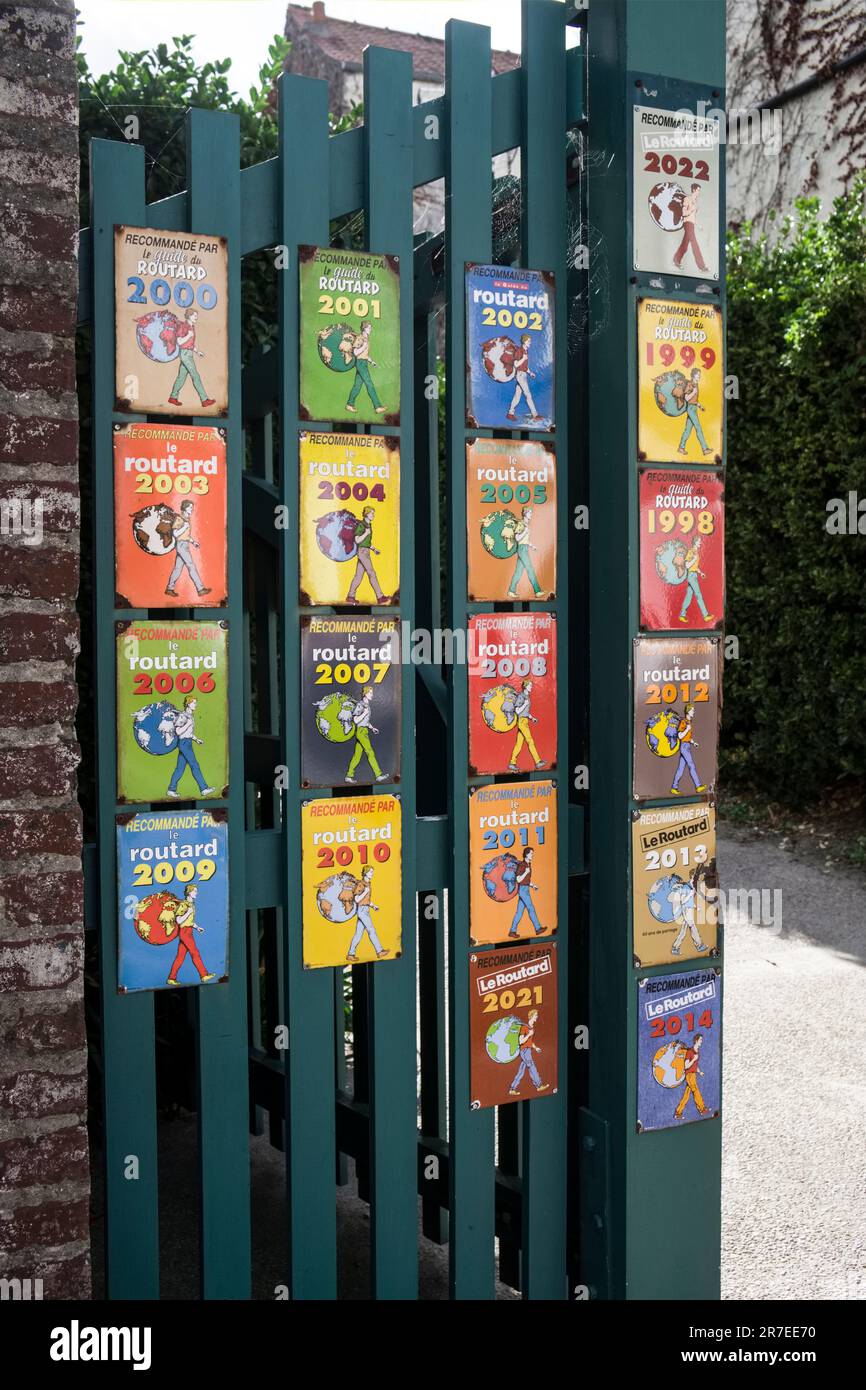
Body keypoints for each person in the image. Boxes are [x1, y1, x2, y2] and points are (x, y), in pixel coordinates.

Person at [165, 884, 216, 985]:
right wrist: (188, 913)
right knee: (195, 952)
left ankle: (171, 978)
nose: (197, 893)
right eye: (195, 891)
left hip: (188, 930)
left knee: (180, 957)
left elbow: (189, 921)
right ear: (189, 892)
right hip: (185, 932)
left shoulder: (191, 904)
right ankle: (204, 975)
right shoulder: (184, 905)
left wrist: (197, 927)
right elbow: (179, 921)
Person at [166, 696, 216, 798]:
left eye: (195, 703)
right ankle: (204, 788)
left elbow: (188, 733)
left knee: (180, 768)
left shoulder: (191, 716)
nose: (195, 705)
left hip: (188, 742)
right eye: (193, 703)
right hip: (184, 743)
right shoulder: (183, 716)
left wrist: (196, 739)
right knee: (194, 765)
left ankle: (171, 789)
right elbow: (178, 732)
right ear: (188, 704)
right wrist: (188, 724)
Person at [167, 309, 216, 408]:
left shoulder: (191, 327)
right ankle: (204, 399)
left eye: (196, 316)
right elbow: (180, 342)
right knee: (195, 376)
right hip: (185, 354)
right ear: (189, 316)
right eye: (194, 316)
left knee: (181, 377)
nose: (196, 318)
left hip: (188, 353)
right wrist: (189, 335)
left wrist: (197, 352)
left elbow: (189, 344)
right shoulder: (183, 327)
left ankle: (173, 397)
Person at [164, 500, 211, 598]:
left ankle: (169, 588)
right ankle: (200, 589)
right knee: (191, 566)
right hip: (181, 546)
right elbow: (175, 534)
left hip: (184, 544)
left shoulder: (186, 519)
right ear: (185, 508)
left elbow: (185, 536)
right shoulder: (179, 519)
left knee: (177, 569)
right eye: (190, 507)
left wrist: (193, 542)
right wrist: (184, 527)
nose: (192, 509)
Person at [342, 687, 389, 784]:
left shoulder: (367, 705)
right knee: (370, 752)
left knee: (357, 756)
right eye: (370, 693)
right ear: (365, 694)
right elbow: (355, 720)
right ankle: (378, 775)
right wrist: (364, 713)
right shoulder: (360, 705)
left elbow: (365, 722)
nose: (372, 695)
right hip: (361, 732)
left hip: (365, 730)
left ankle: (348, 776)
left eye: (372, 693)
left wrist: (372, 728)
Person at [347, 866, 390, 961]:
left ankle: (350, 954)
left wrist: (373, 906)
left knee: (358, 934)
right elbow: (357, 899)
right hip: (362, 910)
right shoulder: (361, 884)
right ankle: (379, 951)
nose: (372, 873)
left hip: (365, 909)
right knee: (371, 930)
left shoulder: (368, 884)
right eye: (370, 872)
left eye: (372, 872)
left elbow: (366, 900)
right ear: (365, 873)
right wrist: (365, 891)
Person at [346, 507, 387, 604]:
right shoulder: (361, 525)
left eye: (373, 513)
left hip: (366, 551)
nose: (373, 515)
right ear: (366, 514)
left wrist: (374, 549)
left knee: (358, 576)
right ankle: (380, 597)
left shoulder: (368, 525)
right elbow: (357, 540)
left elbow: (366, 542)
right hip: (362, 552)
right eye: (371, 513)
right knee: (371, 573)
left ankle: (350, 596)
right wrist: (365, 533)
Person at [346, 321, 387, 415]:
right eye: (369, 327)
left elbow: (365, 355)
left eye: (371, 327)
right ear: (364, 328)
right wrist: (363, 346)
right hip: (360, 363)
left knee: (357, 385)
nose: (370, 329)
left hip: (363, 362)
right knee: (370, 384)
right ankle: (377, 407)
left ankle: (349, 404)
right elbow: (355, 353)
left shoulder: (366, 339)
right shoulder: (360, 338)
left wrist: (371, 361)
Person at [508, 1009, 549, 1096]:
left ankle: (512, 1088)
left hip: (528, 1049)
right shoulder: (524, 1028)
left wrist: (535, 1047)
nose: (537, 1017)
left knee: (521, 1071)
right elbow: (521, 1041)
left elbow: (529, 1042)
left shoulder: (530, 1028)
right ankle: (539, 1085)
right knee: (532, 1067)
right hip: (525, 1051)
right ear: (532, 1016)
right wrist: (529, 1034)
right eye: (536, 1015)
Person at [507, 679, 546, 771]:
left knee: (519, 744)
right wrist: (524, 704)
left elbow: (525, 712)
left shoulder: (527, 696)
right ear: (525, 686)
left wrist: (532, 718)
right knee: (530, 741)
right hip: (522, 722)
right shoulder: (521, 697)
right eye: (530, 686)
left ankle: (512, 763)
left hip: (525, 720)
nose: (531, 687)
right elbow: (517, 711)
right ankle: (538, 762)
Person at [670, 703, 707, 796]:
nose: (694, 712)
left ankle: (674, 787)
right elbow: (680, 736)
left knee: (680, 769)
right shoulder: (683, 722)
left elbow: (687, 737)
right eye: (692, 710)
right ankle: (698, 786)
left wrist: (693, 742)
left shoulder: (689, 722)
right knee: (691, 765)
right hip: (684, 747)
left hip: (687, 746)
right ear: (688, 711)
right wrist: (686, 729)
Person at [508, 846, 545, 937]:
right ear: (526, 854)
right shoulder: (522, 865)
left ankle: (512, 931)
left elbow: (526, 880)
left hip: (525, 888)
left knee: (519, 912)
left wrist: (532, 885)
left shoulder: (528, 865)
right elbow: (518, 880)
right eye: (531, 853)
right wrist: (525, 872)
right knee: (530, 908)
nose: (532, 855)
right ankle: (538, 928)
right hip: (523, 890)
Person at [669, 876, 710, 957]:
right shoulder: (686, 888)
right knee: (693, 927)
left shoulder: (690, 887)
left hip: (689, 909)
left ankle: (675, 948)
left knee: (683, 931)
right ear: (691, 879)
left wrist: (696, 907)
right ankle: (700, 945)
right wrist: (690, 893)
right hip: (686, 910)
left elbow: (690, 901)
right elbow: (683, 901)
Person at [507, 506, 542, 598]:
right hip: (522, 549)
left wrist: (531, 546)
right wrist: (525, 532)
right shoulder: (521, 523)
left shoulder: (526, 524)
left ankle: (511, 590)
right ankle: (537, 591)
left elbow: (525, 540)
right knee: (530, 568)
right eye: (530, 513)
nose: (531, 514)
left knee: (518, 572)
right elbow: (517, 538)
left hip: (525, 547)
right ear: (525, 513)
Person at [672, 183, 708, 273]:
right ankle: (702, 266)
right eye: (698, 190)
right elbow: (684, 213)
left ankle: (676, 259)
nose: (699, 192)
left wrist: (698, 225)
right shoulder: (687, 199)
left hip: (691, 224)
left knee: (685, 245)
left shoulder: (695, 202)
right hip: (687, 223)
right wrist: (692, 209)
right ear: (694, 190)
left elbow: (693, 217)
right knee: (694, 243)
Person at [678, 534, 713, 624]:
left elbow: (694, 566)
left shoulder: (696, 552)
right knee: (698, 595)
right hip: (691, 576)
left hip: (694, 574)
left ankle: (682, 615)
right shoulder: (691, 552)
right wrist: (693, 559)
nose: (700, 543)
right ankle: (705, 616)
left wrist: (700, 573)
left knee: (689, 596)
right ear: (695, 542)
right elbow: (687, 565)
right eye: (699, 542)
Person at [677, 368, 713, 456]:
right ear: (693, 375)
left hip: (694, 408)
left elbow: (694, 400)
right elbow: (686, 398)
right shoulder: (690, 384)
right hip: (690, 409)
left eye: (699, 374)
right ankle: (705, 449)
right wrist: (693, 392)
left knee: (688, 430)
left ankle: (681, 447)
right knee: (698, 428)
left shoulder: (696, 385)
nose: (699, 376)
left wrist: (700, 406)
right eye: (698, 374)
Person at [506, 334, 541, 422]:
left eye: (530, 341)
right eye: (529, 341)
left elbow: (524, 366)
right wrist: (523, 358)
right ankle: (535, 415)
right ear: (524, 341)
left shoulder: (526, 351)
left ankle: (510, 413)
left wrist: (530, 373)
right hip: (520, 375)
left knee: (517, 396)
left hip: (523, 374)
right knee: (528, 395)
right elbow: (516, 364)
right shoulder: (519, 350)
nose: (530, 343)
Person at [674, 1034, 710, 1118]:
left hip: (693, 1074)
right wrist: (693, 1059)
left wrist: (699, 1072)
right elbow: (686, 1066)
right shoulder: (690, 1052)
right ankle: (702, 1109)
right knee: (696, 1090)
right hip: (689, 1075)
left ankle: (678, 1113)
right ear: (696, 1040)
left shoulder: (697, 1052)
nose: (701, 1041)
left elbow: (695, 1065)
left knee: (686, 1095)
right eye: (700, 1040)